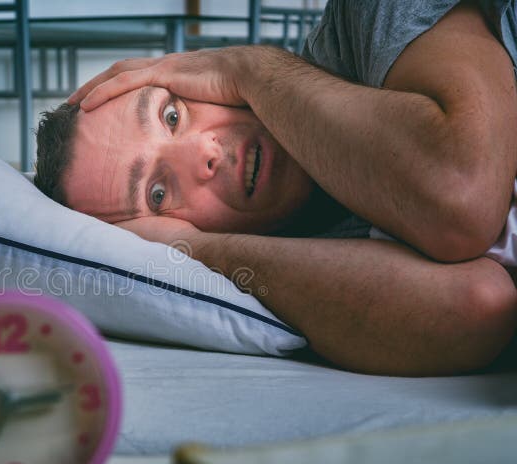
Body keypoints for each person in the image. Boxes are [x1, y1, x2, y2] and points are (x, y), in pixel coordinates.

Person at [34, 0, 517, 377]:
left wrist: (250, 70)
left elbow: (461, 193)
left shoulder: (365, 20)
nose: (204, 155)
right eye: (158, 194)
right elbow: (480, 305)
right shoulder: (301, 269)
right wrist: (192, 251)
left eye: (172, 114)